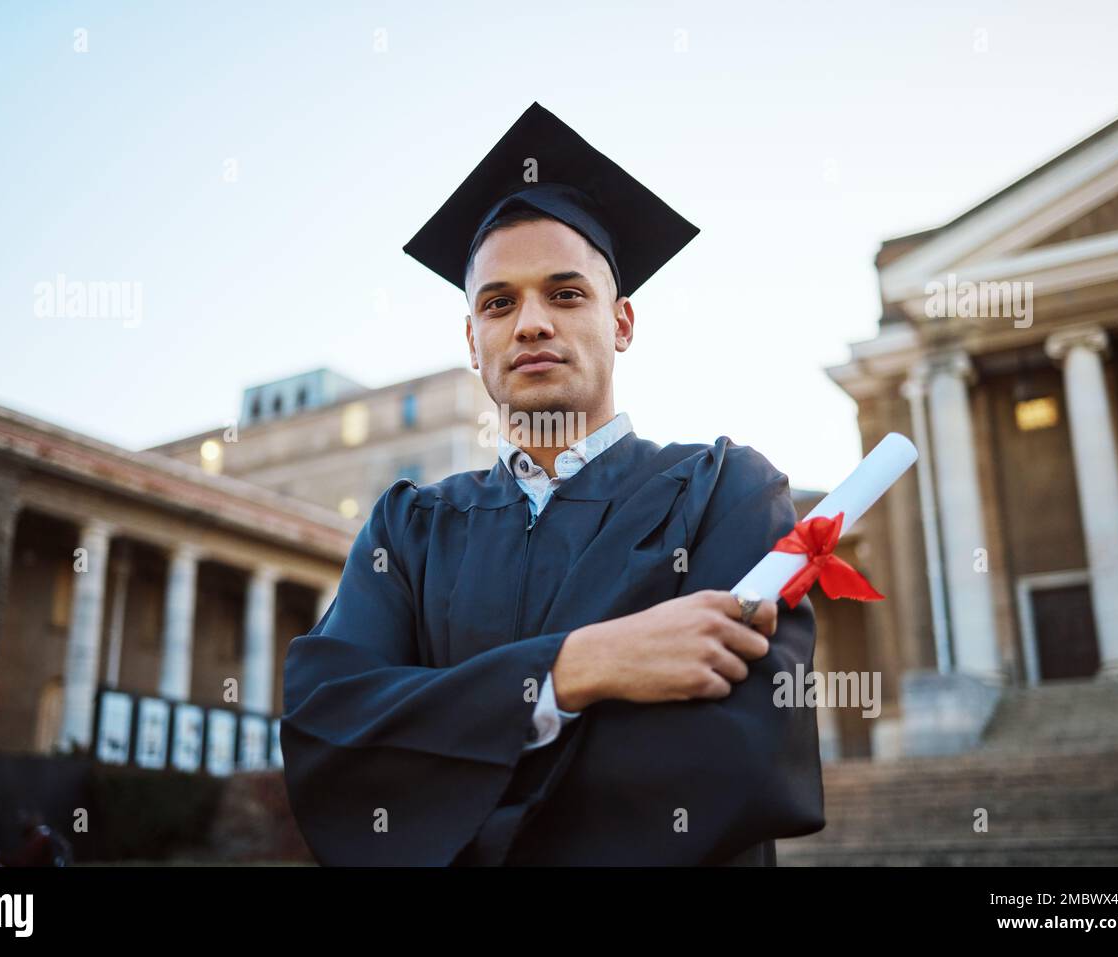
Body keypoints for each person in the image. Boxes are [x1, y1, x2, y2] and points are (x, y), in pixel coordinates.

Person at [282, 103, 825, 865]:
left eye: (565, 294)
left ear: (623, 322)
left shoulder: (724, 491)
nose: (530, 321)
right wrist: (576, 668)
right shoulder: (408, 532)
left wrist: (455, 765)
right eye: (498, 302)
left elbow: (733, 758)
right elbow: (331, 736)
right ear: (474, 341)